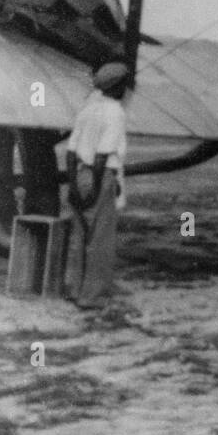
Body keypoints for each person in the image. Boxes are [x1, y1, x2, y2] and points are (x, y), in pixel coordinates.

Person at [64, 60, 129, 310]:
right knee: (100, 239)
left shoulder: (87, 109)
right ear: (118, 87)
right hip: (100, 177)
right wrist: (95, 190)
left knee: (78, 235)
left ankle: (73, 288)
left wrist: (73, 185)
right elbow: (103, 154)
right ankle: (93, 297)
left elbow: (71, 151)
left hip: (79, 173)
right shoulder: (116, 112)